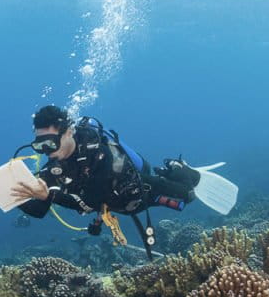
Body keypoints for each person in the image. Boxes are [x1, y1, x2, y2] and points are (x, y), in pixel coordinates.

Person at [11, 105, 200, 249]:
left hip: (137, 190)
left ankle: (178, 168)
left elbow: (91, 202)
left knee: (187, 194)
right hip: (117, 206)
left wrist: (49, 196)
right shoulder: (54, 166)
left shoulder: (98, 153)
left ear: (68, 132)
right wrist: (13, 196)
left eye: (50, 143)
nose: (46, 152)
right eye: (39, 146)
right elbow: (39, 211)